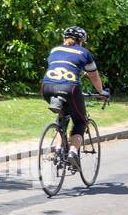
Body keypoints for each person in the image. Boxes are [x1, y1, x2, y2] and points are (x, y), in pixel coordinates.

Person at [41, 26, 109, 170]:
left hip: (47, 87)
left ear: (64, 38)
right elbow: (94, 76)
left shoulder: (54, 50)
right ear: (81, 41)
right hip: (70, 88)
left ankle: (57, 149)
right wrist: (101, 91)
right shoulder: (84, 53)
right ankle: (72, 152)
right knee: (80, 121)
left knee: (63, 118)